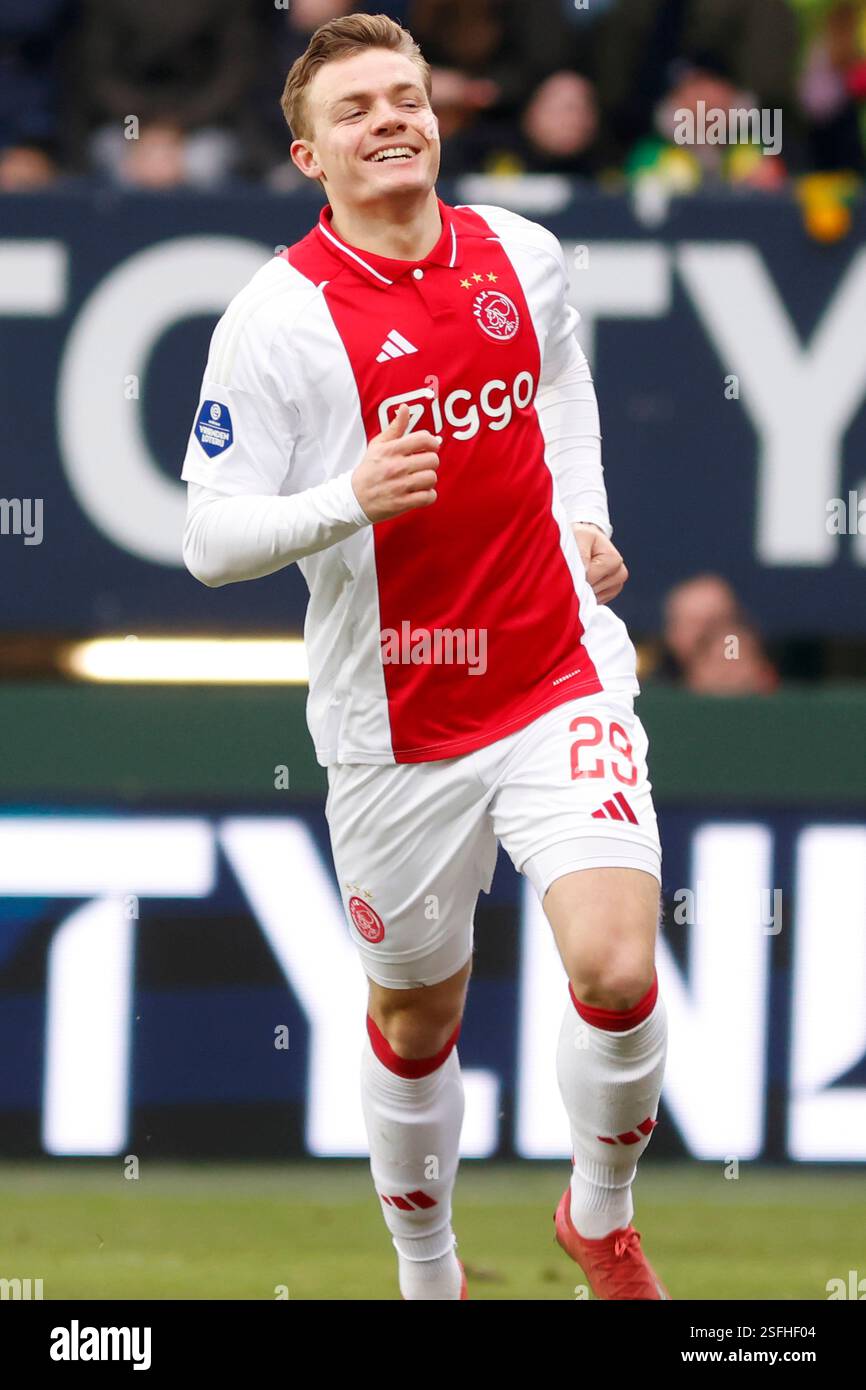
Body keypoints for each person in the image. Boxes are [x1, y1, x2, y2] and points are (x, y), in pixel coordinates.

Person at [180, 12, 669, 1301]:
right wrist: (348, 497)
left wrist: (583, 517)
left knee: (618, 971)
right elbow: (208, 539)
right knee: (417, 1018)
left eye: (406, 96)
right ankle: (430, 1274)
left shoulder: (524, 253)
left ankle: (601, 1224)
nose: (390, 119)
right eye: (355, 110)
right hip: (393, 723)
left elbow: (559, 380)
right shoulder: (278, 318)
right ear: (307, 155)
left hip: (558, 669)